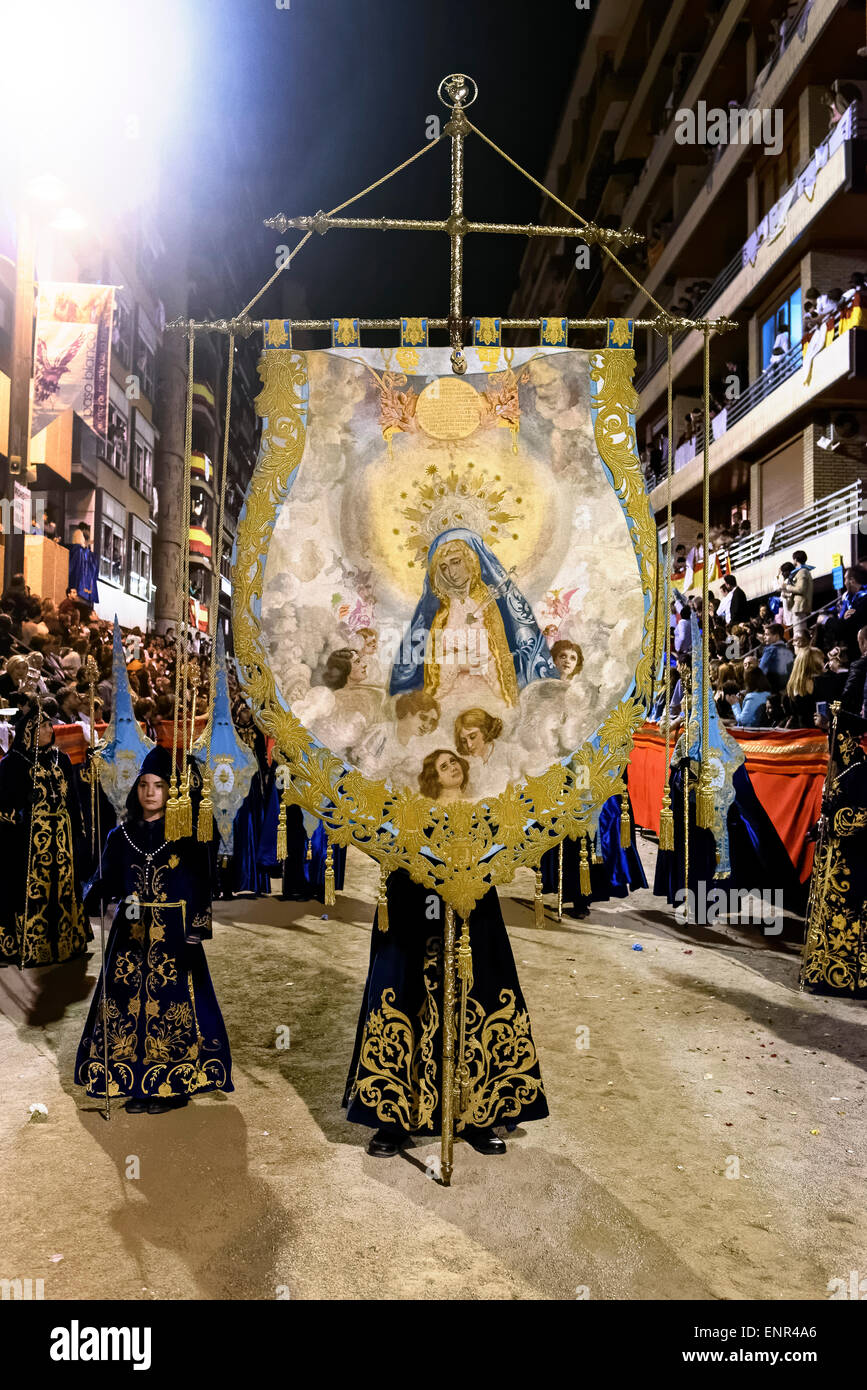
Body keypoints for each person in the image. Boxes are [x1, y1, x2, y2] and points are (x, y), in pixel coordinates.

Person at [343, 868, 549, 1157]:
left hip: (472, 877)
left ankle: (478, 1112)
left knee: (478, 987)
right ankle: (394, 1113)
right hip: (410, 874)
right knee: (403, 989)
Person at [74, 746, 233, 1112]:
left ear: (169, 791)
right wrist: (91, 894)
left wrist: (197, 927)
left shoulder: (186, 835)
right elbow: (108, 880)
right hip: (129, 937)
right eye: (144, 784)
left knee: (169, 1005)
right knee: (126, 1007)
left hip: (173, 935)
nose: (149, 792)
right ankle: (133, 1083)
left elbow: (201, 883)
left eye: (158, 785)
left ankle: (171, 1085)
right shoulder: (120, 835)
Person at [0, 697, 91, 968]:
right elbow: (4, 806)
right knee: (33, 892)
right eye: (42, 727)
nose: (49, 731)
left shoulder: (60, 759)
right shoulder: (13, 763)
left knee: (62, 889)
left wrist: (77, 829)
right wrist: (20, 818)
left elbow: (72, 798)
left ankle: (65, 942)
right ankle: (33, 944)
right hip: (28, 842)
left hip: (60, 839)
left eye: (49, 727)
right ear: (28, 731)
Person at [783, 551, 813, 638]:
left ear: (795, 560)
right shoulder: (804, 571)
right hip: (799, 607)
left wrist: (787, 587)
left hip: (799, 607)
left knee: (798, 635)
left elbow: (800, 589)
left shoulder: (802, 572)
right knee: (799, 633)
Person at [758, 623, 794, 692]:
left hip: (772, 690)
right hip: (786, 689)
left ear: (776, 636)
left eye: (767, 634)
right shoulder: (788, 649)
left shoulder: (770, 650)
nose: (764, 637)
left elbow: (761, 671)